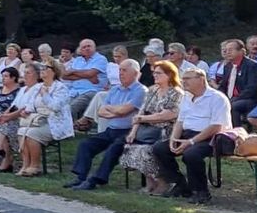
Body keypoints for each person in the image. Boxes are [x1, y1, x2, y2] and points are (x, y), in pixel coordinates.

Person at [150, 66, 230, 204]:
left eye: (187, 78)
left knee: (191, 154)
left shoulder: (217, 98)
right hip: (188, 134)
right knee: (159, 148)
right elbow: (180, 121)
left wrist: (191, 142)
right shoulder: (187, 97)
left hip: (212, 138)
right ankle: (180, 183)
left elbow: (216, 127)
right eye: (183, 78)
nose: (183, 81)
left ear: (201, 79)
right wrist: (173, 140)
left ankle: (201, 192)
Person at [65, 60, 146, 190]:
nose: (120, 73)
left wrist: (114, 110)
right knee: (86, 145)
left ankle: (95, 180)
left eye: (124, 70)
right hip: (111, 130)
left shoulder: (140, 91)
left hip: (129, 132)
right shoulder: (115, 90)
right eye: (120, 70)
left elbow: (124, 111)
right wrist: (117, 112)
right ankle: (80, 177)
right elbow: (101, 111)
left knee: (112, 150)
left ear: (135, 73)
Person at [121, 61, 184, 195]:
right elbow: (141, 112)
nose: (155, 75)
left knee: (147, 150)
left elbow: (168, 115)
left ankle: (162, 182)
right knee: (133, 148)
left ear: (169, 75)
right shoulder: (152, 90)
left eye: (158, 73)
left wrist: (143, 119)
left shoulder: (176, 93)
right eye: (154, 72)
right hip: (148, 130)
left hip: (166, 131)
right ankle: (151, 182)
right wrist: (133, 132)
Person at [16, 60, 73, 176]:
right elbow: (31, 104)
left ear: (53, 71)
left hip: (55, 122)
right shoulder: (38, 87)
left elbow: (55, 107)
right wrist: (26, 111)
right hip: (38, 120)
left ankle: (35, 166)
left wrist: (46, 95)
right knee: (21, 132)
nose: (42, 70)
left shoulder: (61, 88)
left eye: (45, 68)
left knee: (32, 134)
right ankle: (25, 164)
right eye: (41, 68)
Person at [214, 38, 257, 126]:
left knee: (233, 106)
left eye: (230, 50)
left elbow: (251, 89)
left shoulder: (252, 65)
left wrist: (234, 99)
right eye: (226, 50)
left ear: (241, 51)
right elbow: (223, 86)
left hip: (249, 99)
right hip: (231, 98)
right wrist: (219, 97)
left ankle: (236, 133)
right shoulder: (228, 66)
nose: (227, 52)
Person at [0, 67, 24, 172]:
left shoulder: (19, 91)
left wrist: (2, 116)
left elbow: (14, 107)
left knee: (2, 127)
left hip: (11, 118)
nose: (3, 79)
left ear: (14, 78)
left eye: (6, 76)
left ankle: (4, 155)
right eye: (2, 76)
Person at [61, 38, 108, 117]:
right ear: (80, 49)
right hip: (74, 91)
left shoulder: (101, 59)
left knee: (70, 108)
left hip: (91, 91)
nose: (86, 48)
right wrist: (87, 76)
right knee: (60, 108)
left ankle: (72, 128)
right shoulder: (78, 60)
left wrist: (73, 71)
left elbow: (90, 73)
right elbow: (65, 76)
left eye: (89, 46)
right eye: (84, 47)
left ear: (94, 47)